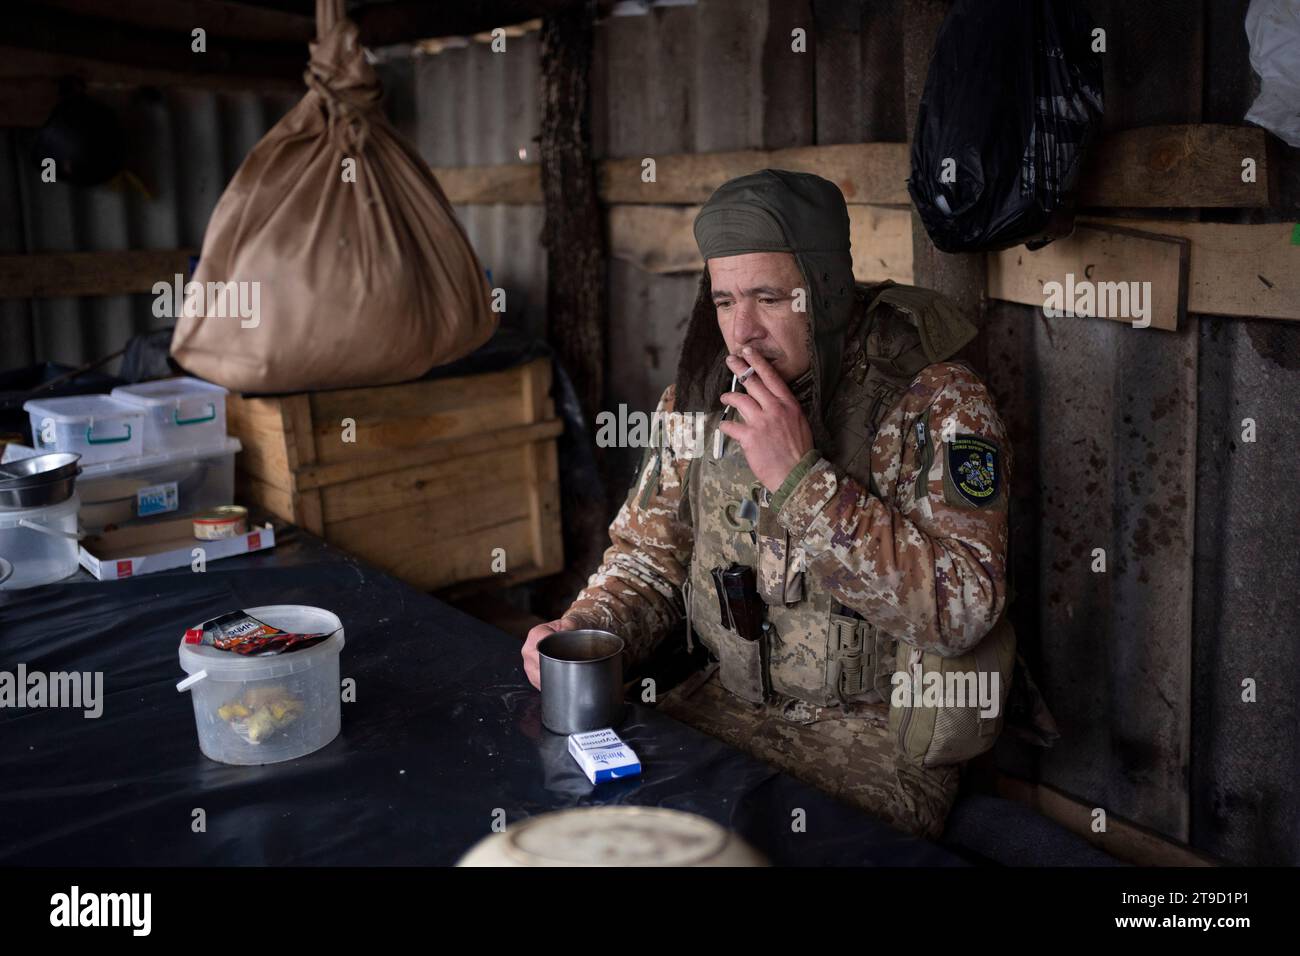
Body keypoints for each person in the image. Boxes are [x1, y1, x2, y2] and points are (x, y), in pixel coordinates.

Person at [523, 169, 1015, 839]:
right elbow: (647, 559)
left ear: (827, 290)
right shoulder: (702, 398)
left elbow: (963, 611)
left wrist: (802, 479)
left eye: (768, 297)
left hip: (873, 741)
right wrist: (583, 630)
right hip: (720, 706)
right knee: (594, 833)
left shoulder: (937, 401)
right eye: (724, 301)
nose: (741, 332)